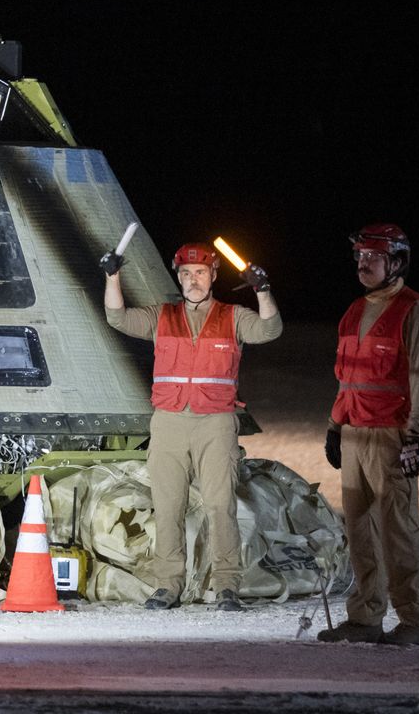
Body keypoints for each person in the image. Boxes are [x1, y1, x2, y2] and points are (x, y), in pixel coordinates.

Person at [102, 240, 281, 611]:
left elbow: (269, 330)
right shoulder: (161, 315)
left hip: (215, 423)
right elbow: (117, 318)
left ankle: (227, 585)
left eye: (200, 273)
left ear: (213, 275)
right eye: (186, 273)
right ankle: (168, 586)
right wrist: (112, 276)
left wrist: (262, 290)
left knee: (219, 506)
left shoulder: (233, 316)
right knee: (167, 507)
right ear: (178, 277)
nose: (193, 280)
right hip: (168, 422)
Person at [317, 223, 419, 647]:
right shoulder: (353, 310)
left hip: (391, 434)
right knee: (359, 530)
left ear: (397, 262)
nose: (363, 264)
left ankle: (415, 621)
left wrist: (415, 436)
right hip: (353, 433)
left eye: (372, 257)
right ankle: (365, 616)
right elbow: (346, 378)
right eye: (360, 257)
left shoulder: (415, 311)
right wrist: (335, 425)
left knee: (398, 530)